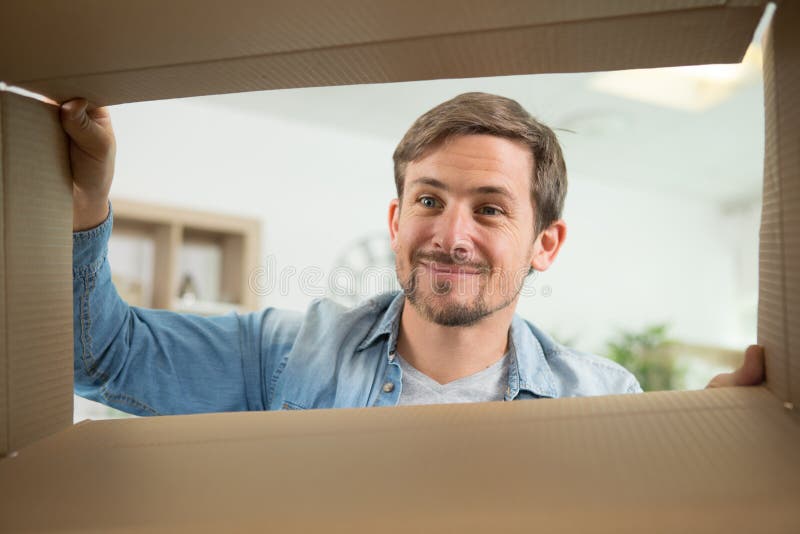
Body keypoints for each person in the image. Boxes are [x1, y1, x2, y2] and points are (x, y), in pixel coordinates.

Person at [63, 92, 764, 415]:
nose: (450, 235)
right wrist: (85, 200)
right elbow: (99, 356)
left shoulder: (605, 402)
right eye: (430, 200)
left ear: (546, 244)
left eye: (489, 209)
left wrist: (707, 443)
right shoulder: (284, 357)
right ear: (397, 220)